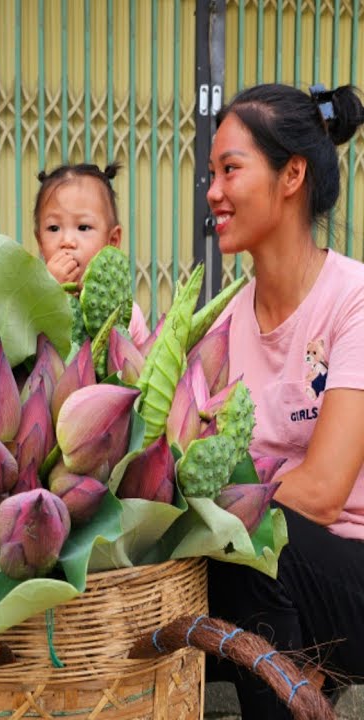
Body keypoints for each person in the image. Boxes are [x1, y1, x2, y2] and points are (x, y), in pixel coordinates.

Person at [204, 82, 364, 719]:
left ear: (291, 174)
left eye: (230, 169)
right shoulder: (221, 326)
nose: (213, 192)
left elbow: (323, 491)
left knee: (247, 537)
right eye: (211, 174)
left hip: (351, 572)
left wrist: (213, 501)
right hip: (271, 584)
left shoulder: (353, 301)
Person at [33, 163, 123, 285]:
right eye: (54, 228)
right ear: (40, 243)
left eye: (83, 228)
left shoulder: (117, 295)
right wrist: (50, 289)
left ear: (112, 241)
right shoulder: (34, 293)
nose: (67, 241)